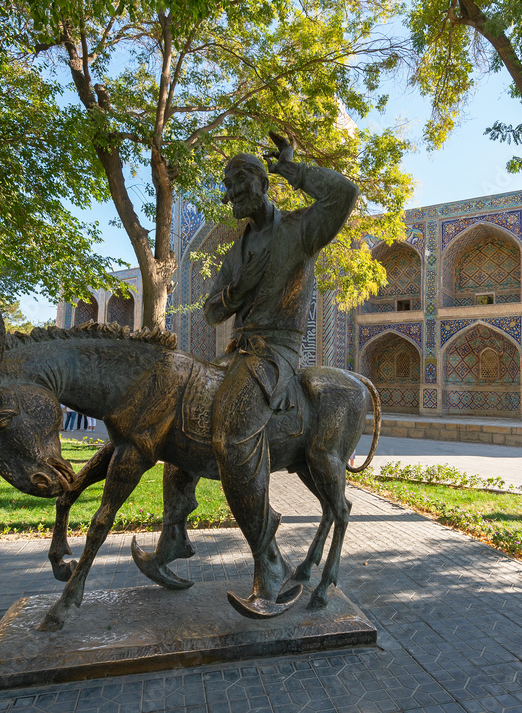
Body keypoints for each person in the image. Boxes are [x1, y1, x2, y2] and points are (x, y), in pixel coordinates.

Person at [204, 131, 358, 613]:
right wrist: (235, 293)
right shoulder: (235, 253)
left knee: (233, 434)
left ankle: (269, 560)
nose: (229, 194)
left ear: (258, 182)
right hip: (239, 352)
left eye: (235, 184)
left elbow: (345, 193)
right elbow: (210, 312)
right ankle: (172, 536)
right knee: (182, 415)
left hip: (278, 352)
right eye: (226, 186)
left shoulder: (299, 231)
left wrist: (293, 169)